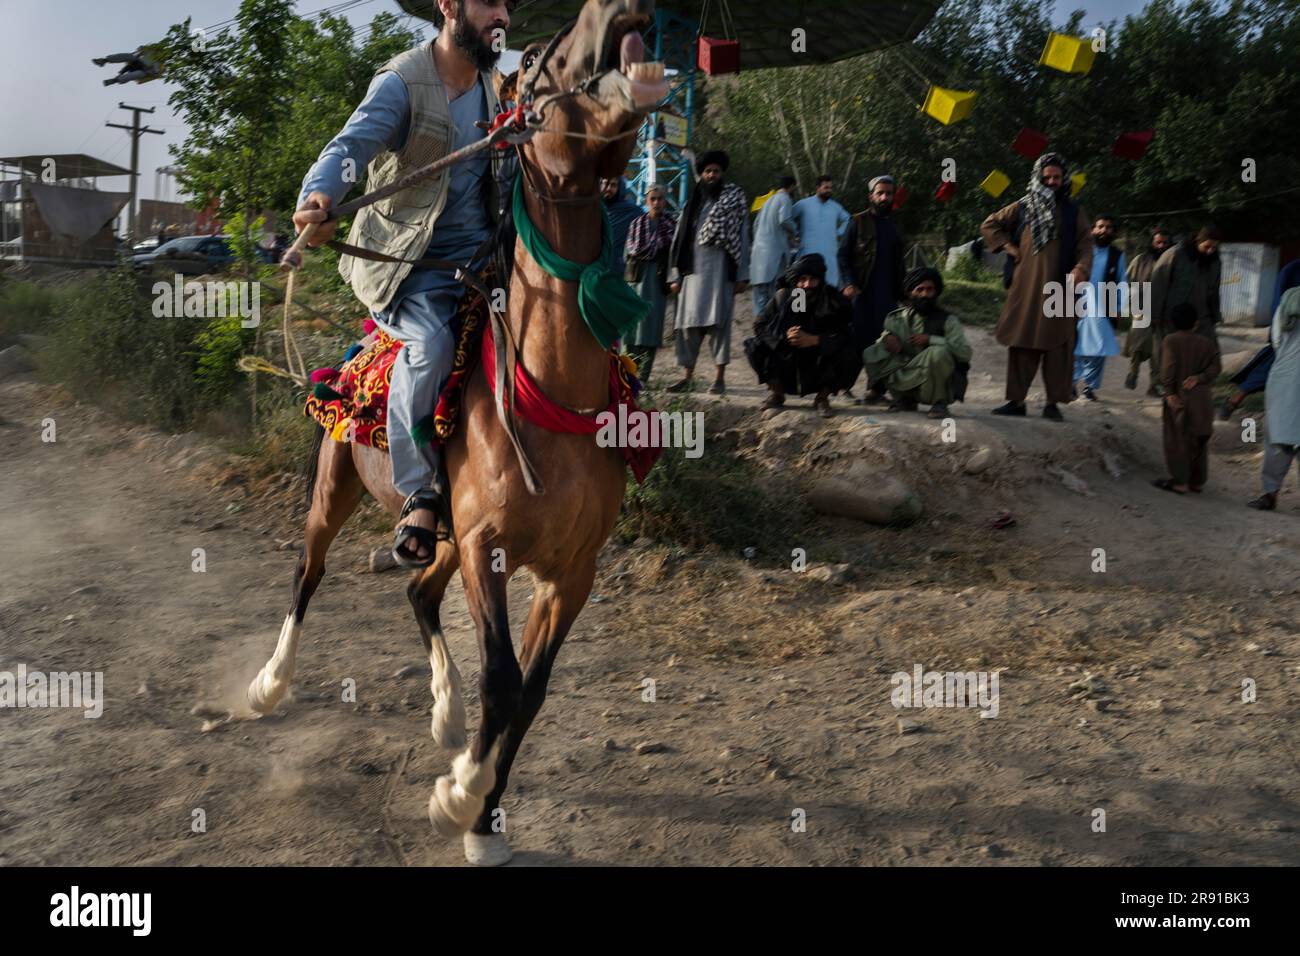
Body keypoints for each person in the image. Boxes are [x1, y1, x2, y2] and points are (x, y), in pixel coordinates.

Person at [292, 0, 514, 567]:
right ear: (448, 6)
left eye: (508, 5)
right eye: (489, 2)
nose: (502, 15)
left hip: (487, 263)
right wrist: (320, 197)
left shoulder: (498, 89)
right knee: (432, 345)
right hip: (412, 269)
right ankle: (418, 491)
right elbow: (348, 151)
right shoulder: (403, 81)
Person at [980, 152, 1092, 422]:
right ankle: (1016, 401)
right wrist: (1009, 247)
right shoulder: (1023, 207)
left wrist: (1080, 269)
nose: (1052, 181)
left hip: (1062, 290)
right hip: (1027, 287)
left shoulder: (1074, 211)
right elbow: (990, 224)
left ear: (1064, 178)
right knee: (1022, 343)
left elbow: (1085, 244)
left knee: (1059, 347)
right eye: (1047, 177)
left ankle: (1053, 403)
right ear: (1038, 178)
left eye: (1057, 177)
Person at [667, 150, 750, 395]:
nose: (712, 175)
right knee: (688, 328)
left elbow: (744, 237)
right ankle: (687, 377)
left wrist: (742, 274)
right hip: (691, 275)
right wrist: (674, 276)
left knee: (719, 327)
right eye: (707, 171)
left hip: (721, 274)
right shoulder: (691, 204)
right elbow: (678, 240)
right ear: (701, 175)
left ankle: (719, 379)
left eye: (716, 171)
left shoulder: (733, 201)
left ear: (721, 174)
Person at [743, 253, 857, 418]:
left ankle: (822, 399)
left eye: (812, 280)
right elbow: (759, 325)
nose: (807, 285)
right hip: (787, 361)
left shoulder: (832, 300)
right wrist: (782, 337)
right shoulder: (783, 297)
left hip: (817, 363)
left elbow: (845, 335)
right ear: (795, 281)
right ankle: (777, 393)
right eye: (802, 279)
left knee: (851, 349)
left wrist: (815, 340)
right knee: (753, 346)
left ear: (820, 279)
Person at [861, 266, 973, 419]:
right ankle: (904, 399)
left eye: (929, 289)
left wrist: (931, 340)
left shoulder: (948, 320)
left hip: (934, 379)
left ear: (936, 292)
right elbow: (882, 344)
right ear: (910, 293)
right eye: (919, 289)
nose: (925, 294)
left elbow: (965, 353)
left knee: (938, 353)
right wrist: (887, 338)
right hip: (908, 371)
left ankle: (939, 403)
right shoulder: (896, 319)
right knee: (873, 351)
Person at [839, 174, 905, 400]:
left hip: (887, 294)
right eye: (880, 193)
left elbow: (900, 263)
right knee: (857, 339)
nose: (885, 197)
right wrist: (848, 282)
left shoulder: (894, 226)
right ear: (871, 196)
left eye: (888, 193)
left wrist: (904, 293)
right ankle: (844, 386)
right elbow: (843, 255)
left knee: (884, 340)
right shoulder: (856, 221)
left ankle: (875, 389)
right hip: (861, 292)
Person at [1152, 304, 1221, 495]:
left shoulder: (1171, 340)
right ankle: (1197, 481)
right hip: (1203, 400)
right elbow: (1216, 367)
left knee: (1177, 439)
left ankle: (1180, 481)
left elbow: (1168, 369)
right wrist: (1199, 378)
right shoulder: (1207, 343)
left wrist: (1169, 392)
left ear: (1173, 323)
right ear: (1196, 323)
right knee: (1198, 440)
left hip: (1179, 398)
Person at [1221, 257, 1300, 419]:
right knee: (1265, 370)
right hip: (1288, 335)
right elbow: (1277, 307)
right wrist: (1278, 337)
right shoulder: (1292, 271)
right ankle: (1234, 401)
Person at [1248, 285, 1300, 510]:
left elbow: (1276, 340)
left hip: (1285, 373)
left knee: (1277, 439)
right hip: (1287, 377)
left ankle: (1270, 494)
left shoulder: (1289, 298)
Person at [623, 184, 677, 384]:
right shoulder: (636, 224)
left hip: (658, 282)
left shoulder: (671, 225)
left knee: (652, 328)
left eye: (660, 198)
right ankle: (629, 374)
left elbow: (674, 257)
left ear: (665, 201)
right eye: (652, 198)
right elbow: (628, 255)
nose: (656, 202)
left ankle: (644, 376)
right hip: (636, 282)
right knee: (632, 330)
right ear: (647, 201)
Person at [1073, 214, 1125, 401]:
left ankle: (1089, 387)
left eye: (1109, 227)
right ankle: (1071, 384)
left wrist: (1119, 307)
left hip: (1104, 308)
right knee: (1075, 345)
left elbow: (1121, 282)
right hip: (1077, 304)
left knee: (1098, 349)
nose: (1104, 230)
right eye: (1100, 226)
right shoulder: (1080, 251)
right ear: (1092, 229)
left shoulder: (1117, 255)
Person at [1150, 226, 1223, 346]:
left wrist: (1215, 316)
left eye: (1214, 247)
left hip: (1202, 320)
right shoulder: (1175, 254)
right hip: (1173, 319)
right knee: (1172, 356)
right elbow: (1157, 286)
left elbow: (1215, 290)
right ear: (1198, 241)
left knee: (1208, 354)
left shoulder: (1215, 261)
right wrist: (1154, 315)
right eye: (1207, 246)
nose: (1210, 251)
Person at [1123, 225, 1173, 394]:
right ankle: (1133, 373)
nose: (1161, 246)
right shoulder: (1140, 260)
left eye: (1165, 243)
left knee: (1158, 350)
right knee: (1138, 343)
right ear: (1152, 242)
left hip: (1164, 311)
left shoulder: (1173, 261)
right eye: (1158, 242)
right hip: (1141, 306)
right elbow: (1127, 280)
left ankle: (1154, 384)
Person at [749, 175, 798, 318]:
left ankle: (759, 332)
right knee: (774, 298)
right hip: (774, 257)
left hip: (758, 256)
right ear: (791, 186)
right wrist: (795, 231)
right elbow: (785, 220)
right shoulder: (785, 199)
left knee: (759, 301)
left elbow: (755, 225)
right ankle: (771, 333)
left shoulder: (767, 201)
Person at [791, 176, 851, 288]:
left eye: (830, 188)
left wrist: (839, 232)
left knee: (830, 285)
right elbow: (788, 218)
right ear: (817, 188)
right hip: (808, 252)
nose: (829, 190)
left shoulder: (835, 207)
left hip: (830, 252)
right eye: (826, 187)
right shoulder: (804, 204)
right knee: (804, 285)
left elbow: (848, 219)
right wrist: (793, 234)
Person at [601, 176, 643, 272]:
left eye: (613, 185)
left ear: (620, 188)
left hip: (618, 268)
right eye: (605, 183)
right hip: (593, 267)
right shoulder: (593, 209)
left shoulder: (632, 211)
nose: (608, 188)